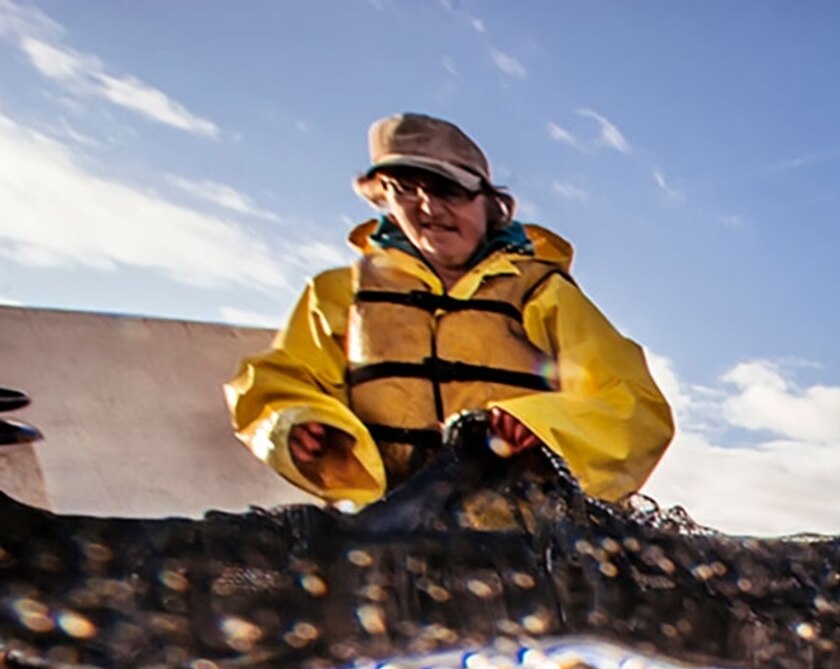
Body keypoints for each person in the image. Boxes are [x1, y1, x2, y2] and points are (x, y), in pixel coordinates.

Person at [226, 114, 673, 506]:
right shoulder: (339, 293)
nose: (428, 207)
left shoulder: (544, 292)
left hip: (521, 534)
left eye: (448, 190)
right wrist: (295, 426)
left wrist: (542, 426)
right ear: (383, 198)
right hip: (383, 532)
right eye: (405, 189)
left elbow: (633, 407)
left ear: (490, 203)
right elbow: (274, 390)